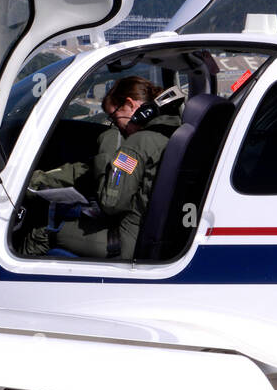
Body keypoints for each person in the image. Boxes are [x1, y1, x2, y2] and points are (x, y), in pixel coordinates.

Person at [24, 76, 181, 260]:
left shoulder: (135, 146)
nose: (117, 127)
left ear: (130, 105)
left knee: (43, 229)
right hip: (156, 234)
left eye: (114, 118)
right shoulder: (172, 129)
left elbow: (111, 203)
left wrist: (106, 148)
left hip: (128, 241)